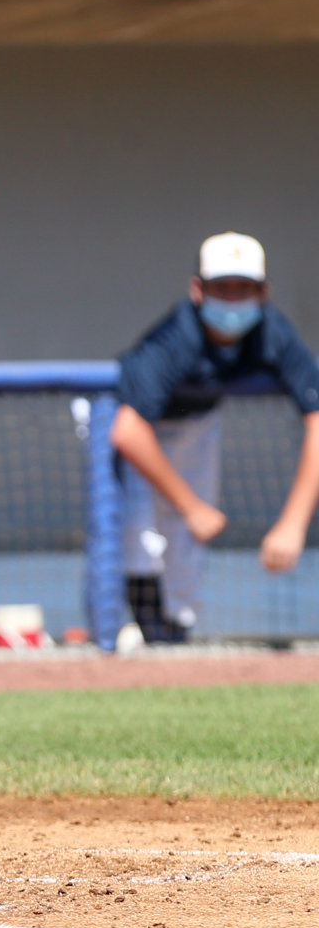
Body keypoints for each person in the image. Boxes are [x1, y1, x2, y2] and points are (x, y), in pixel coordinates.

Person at [111, 232, 319, 643]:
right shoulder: (177, 336)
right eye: (222, 287)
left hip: (195, 422)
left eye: (245, 288)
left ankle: (173, 638)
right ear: (197, 289)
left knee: (183, 550)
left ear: (263, 293)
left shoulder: (272, 330)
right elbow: (128, 430)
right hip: (128, 425)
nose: (234, 299)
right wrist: (190, 507)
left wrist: (293, 525)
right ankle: (128, 635)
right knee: (138, 535)